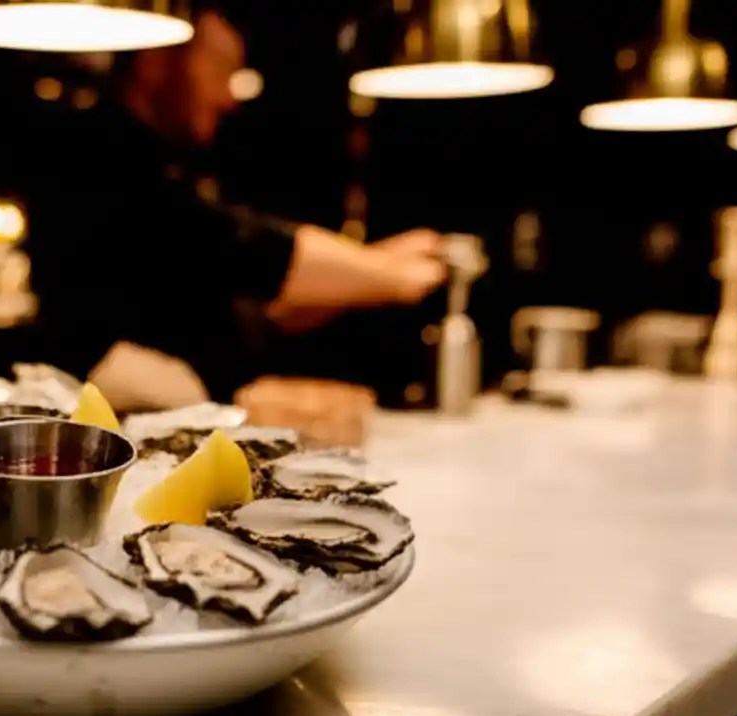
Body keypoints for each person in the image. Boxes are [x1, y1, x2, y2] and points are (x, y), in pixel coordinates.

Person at [22, 4, 446, 419]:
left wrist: (377, 263)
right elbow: (248, 249)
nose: (229, 96)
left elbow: (267, 303)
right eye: (219, 71)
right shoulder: (100, 150)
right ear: (154, 62)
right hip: (112, 437)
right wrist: (392, 274)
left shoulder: (174, 159)